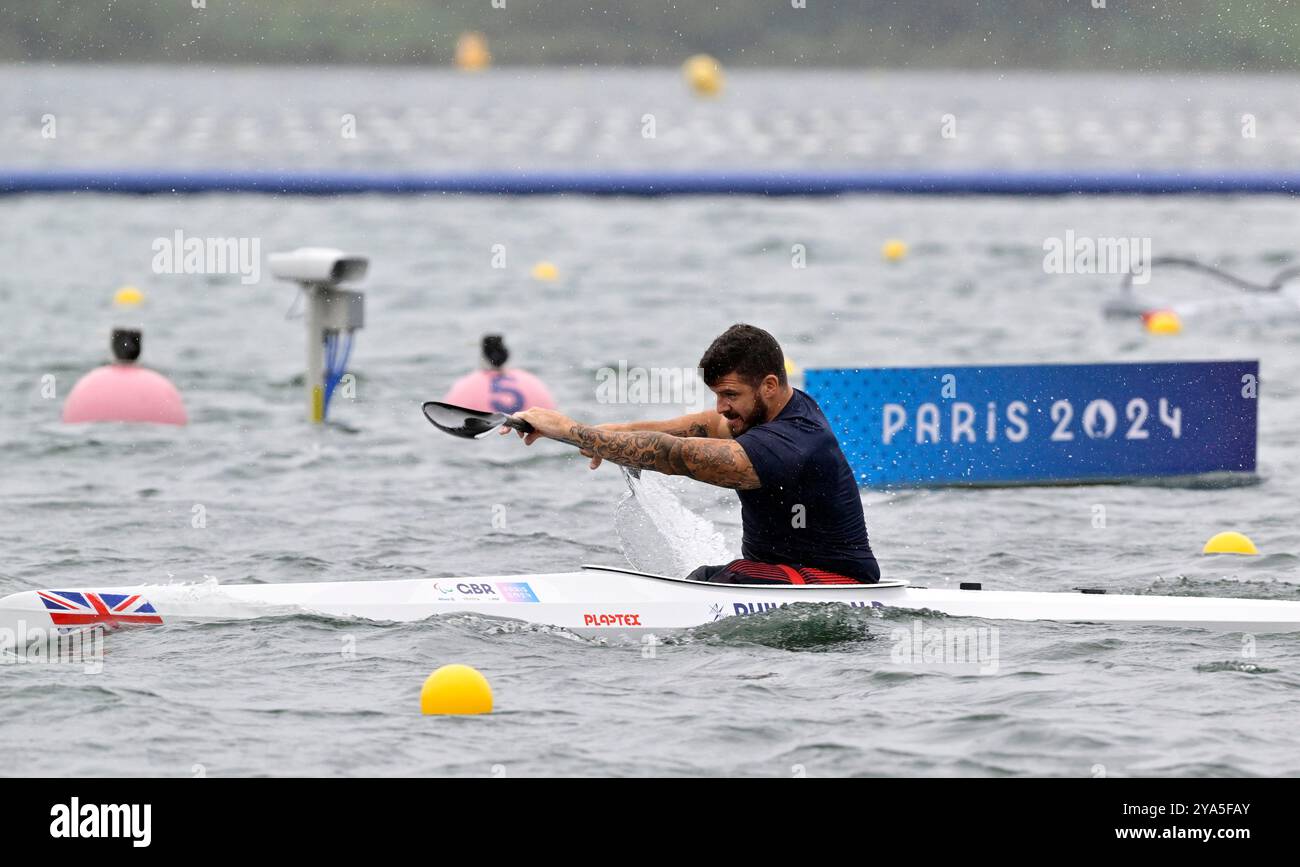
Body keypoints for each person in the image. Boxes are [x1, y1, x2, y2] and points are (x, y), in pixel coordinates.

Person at [505, 323, 880, 585]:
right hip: (778, 574)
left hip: (834, 582)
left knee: (722, 578)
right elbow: (665, 432)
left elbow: (675, 456)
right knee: (716, 577)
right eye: (718, 395)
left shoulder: (793, 443)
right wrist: (571, 432)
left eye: (730, 395)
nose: (721, 408)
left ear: (768, 386)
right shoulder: (759, 416)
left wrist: (573, 432)